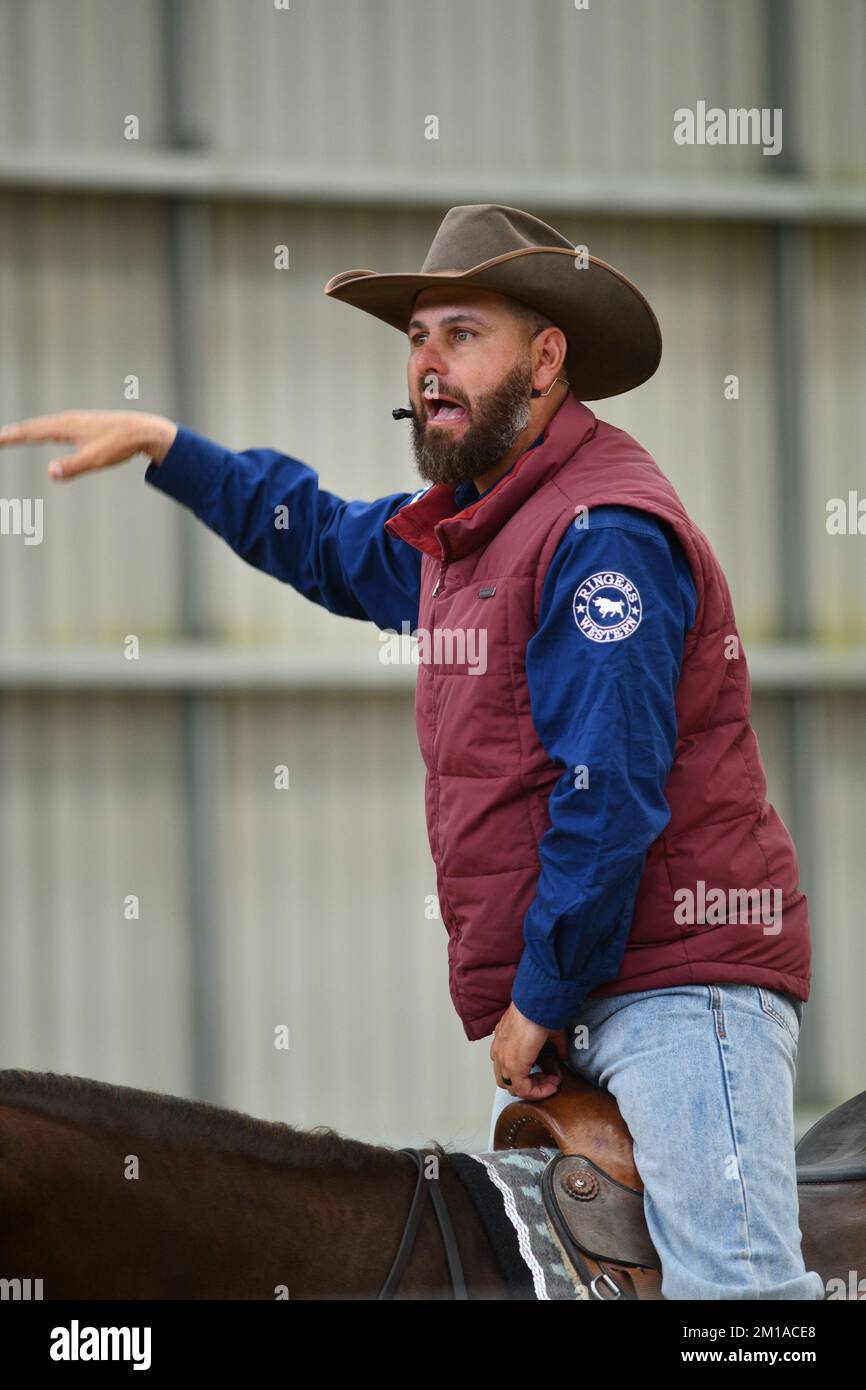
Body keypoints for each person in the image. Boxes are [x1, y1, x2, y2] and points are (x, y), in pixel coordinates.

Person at [0, 203, 824, 1300]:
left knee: (739, 1305)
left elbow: (608, 793)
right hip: (597, 988)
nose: (426, 362)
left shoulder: (599, 534)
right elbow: (331, 541)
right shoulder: (470, 534)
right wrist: (171, 450)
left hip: (682, 989)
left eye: (460, 335)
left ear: (543, 360)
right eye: (416, 337)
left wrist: (540, 987)